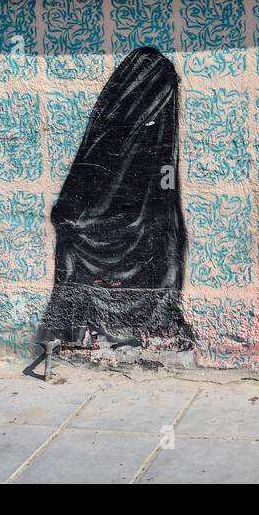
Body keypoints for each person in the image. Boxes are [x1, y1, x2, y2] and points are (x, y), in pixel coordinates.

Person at [35, 47, 195, 351]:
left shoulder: (158, 152)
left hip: (131, 254)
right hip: (95, 257)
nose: (159, 112)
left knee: (170, 233)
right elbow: (73, 210)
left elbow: (166, 195)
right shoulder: (108, 142)